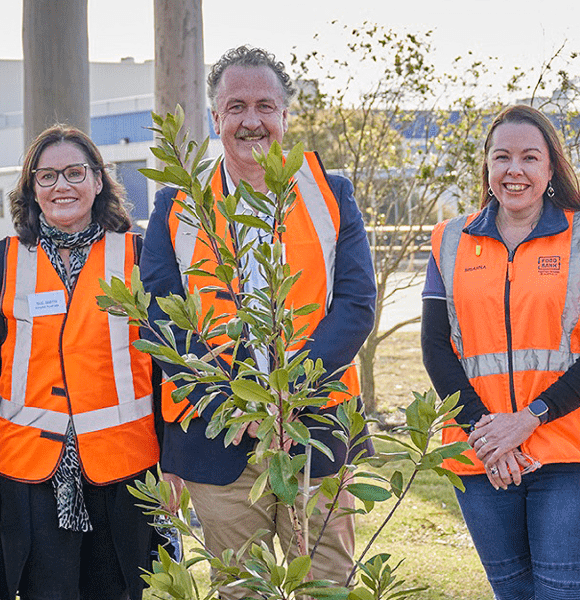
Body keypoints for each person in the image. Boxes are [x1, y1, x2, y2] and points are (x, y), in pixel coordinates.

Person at [141, 45, 375, 592]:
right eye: (237, 106)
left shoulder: (330, 193)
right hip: (216, 441)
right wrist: (235, 400)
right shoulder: (177, 205)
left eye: (266, 106)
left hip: (313, 430)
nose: (252, 120)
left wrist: (287, 395)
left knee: (327, 582)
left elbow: (357, 304)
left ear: (286, 116)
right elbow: (159, 317)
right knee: (240, 588)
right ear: (215, 117)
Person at [421, 104, 580, 600]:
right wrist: (488, 435)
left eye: (530, 157)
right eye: (502, 157)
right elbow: (435, 349)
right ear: (486, 167)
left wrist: (526, 421)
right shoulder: (449, 240)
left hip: (568, 451)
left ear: (550, 167)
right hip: (481, 455)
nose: (515, 170)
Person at [0, 126, 160, 599]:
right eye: (46, 176)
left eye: (75, 173)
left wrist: (173, 467)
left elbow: (166, 367)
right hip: (27, 475)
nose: (61, 186)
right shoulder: (3, 261)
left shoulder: (139, 254)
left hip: (126, 472)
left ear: (98, 181)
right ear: (32, 189)